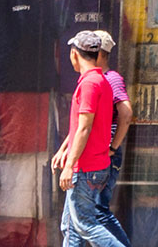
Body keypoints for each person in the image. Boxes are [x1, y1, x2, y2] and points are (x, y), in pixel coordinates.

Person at [52, 31, 129, 247]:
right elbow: (82, 126)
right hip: (93, 165)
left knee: (86, 224)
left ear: (74, 54)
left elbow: (84, 129)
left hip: (86, 168)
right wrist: (64, 151)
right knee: (70, 225)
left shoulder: (90, 84)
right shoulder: (99, 81)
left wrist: (69, 166)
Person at [90, 33, 134, 246]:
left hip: (106, 155)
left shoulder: (111, 78)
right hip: (97, 154)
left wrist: (112, 147)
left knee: (98, 210)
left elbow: (125, 113)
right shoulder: (95, 79)